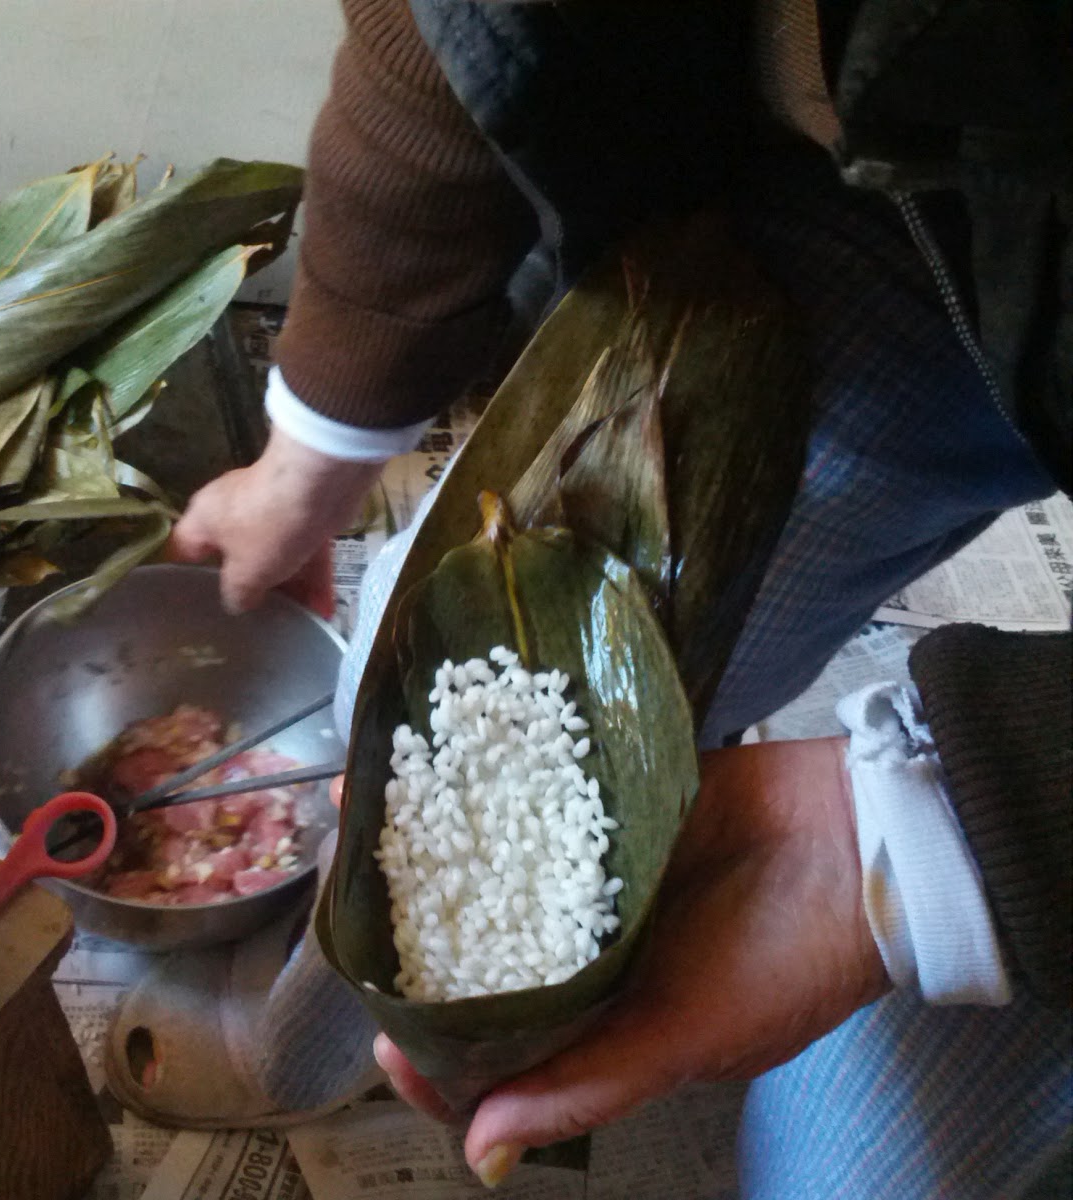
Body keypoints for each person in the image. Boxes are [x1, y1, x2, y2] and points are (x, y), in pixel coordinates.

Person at [166, 0, 1071, 1192]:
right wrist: (317, 443)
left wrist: (946, 822)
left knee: (842, 1165)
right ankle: (319, 1050)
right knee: (398, 612)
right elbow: (458, 23)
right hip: (911, 215)